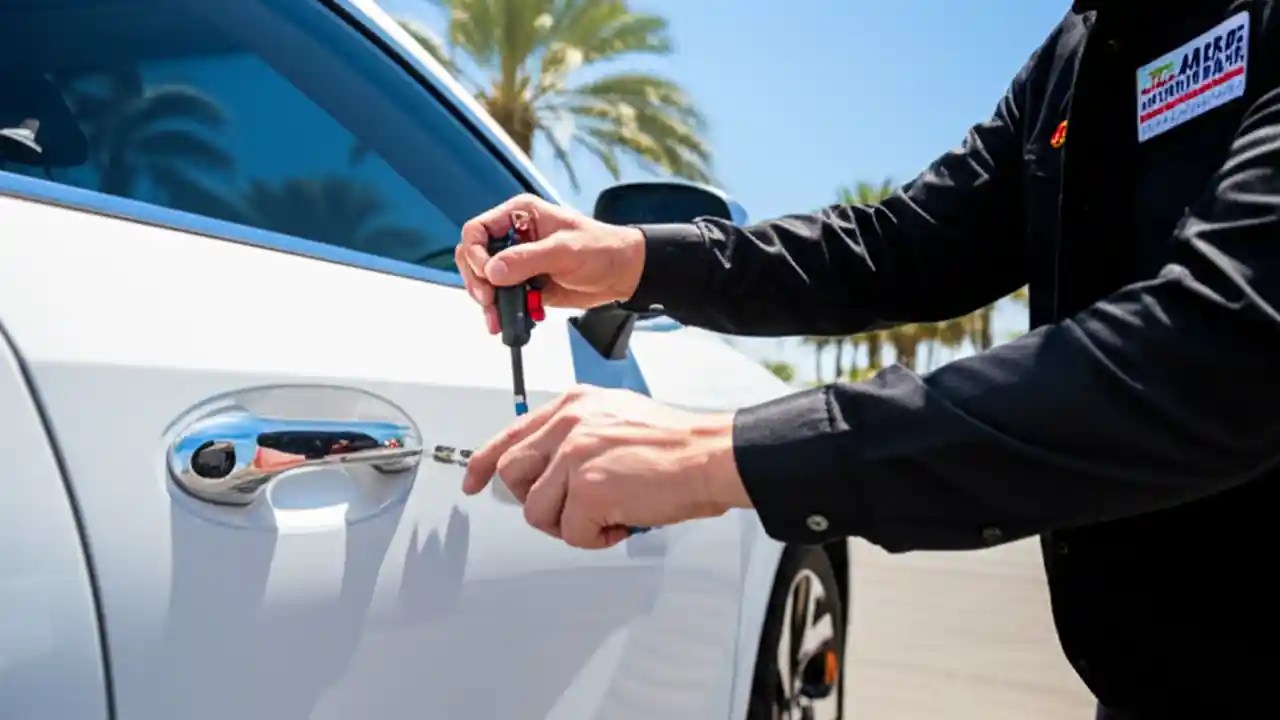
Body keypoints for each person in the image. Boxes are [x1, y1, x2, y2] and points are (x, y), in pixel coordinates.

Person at [456, 1, 1276, 717]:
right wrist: (635, 259)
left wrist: (717, 455)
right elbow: (900, 247)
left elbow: (1219, 350)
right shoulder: (1076, 51)